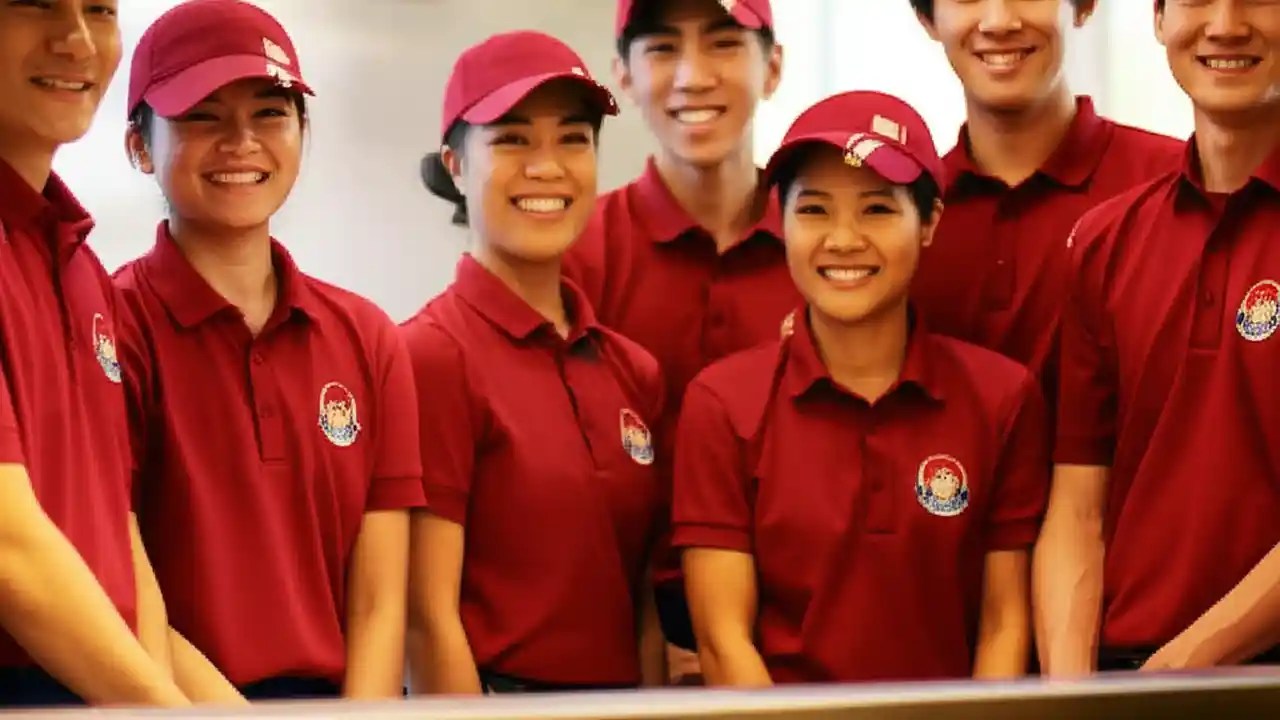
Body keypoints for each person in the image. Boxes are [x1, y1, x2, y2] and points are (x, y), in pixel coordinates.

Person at [674, 91, 1049, 685]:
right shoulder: (723, 404)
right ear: (780, 222)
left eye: (876, 210)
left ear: (929, 223)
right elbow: (724, 640)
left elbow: (1004, 624)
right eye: (814, 210)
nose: (843, 239)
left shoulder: (1001, 398)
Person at [114, 0, 423, 701]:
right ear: (140, 147)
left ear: (302, 133)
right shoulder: (111, 328)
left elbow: (379, 602)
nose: (241, 142)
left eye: (270, 113)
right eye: (202, 117)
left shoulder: (367, 337)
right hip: (169, 704)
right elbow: (120, 588)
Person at [405, 30, 665, 694]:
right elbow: (426, 620)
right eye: (513, 139)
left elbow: (639, 606)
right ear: (456, 165)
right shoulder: (430, 355)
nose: (547, 168)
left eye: (573, 139)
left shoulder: (632, 371)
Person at [1036, 0, 1280, 675]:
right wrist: (1070, 697)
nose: (1225, 25)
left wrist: (1173, 676)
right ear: (1158, 19)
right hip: (1129, 673)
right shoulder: (1107, 240)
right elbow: (1078, 508)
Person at [561, 0, 798, 680]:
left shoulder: (829, 253)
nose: (693, 76)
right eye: (663, 49)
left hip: (803, 631)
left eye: (723, 44)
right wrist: (639, 646)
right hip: (624, 632)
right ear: (623, 76)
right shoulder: (578, 255)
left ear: (772, 68)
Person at [0, 0, 191, 707]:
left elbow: (117, 533)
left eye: (100, 10)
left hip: (101, 690)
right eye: (36, 4)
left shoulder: (82, 269)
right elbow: (9, 550)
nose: (76, 41)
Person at [908, 0, 1181, 403]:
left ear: (1084, 7)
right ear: (927, 18)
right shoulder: (903, 219)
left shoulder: (1178, 186)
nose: (999, 22)